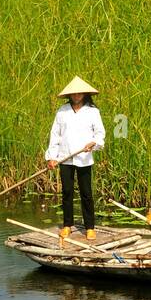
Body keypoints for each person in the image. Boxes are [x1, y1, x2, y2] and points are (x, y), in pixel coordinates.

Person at [47, 77, 106, 243]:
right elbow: (55, 135)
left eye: (80, 93)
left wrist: (94, 144)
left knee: (86, 194)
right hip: (64, 158)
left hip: (84, 157)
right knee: (67, 192)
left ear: (85, 94)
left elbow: (100, 133)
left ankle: (89, 227)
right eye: (74, 93)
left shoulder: (93, 111)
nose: (77, 96)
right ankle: (67, 225)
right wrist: (52, 157)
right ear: (70, 95)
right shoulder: (62, 111)